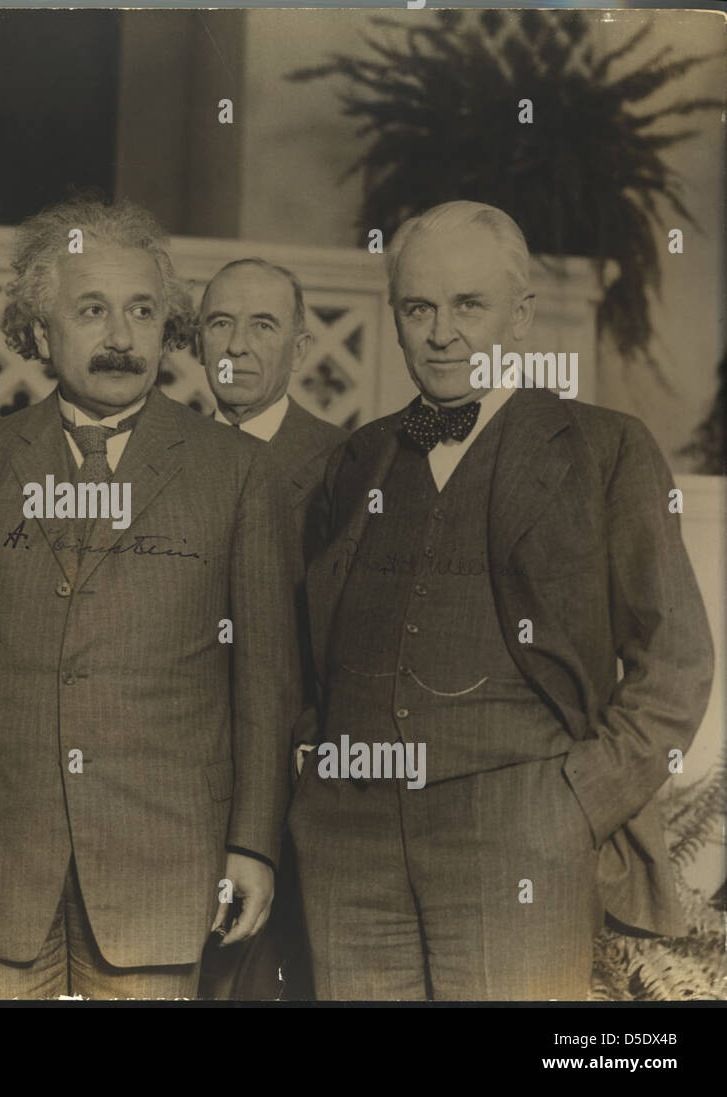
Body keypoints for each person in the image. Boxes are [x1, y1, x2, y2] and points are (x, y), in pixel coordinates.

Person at [291, 200, 714, 1000]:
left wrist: (576, 803)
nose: (441, 331)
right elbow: (306, 641)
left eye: (468, 305)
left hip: (521, 835)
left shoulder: (605, 449)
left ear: (519, 319)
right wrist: (316, 782)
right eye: (419, 307)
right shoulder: (358, 459)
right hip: (350, 841)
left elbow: (679, 663)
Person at [0, 197, 298, 999]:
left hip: (162, 868)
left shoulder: (235, 473)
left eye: (142, 312)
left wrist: (252, 845)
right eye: (92, 311)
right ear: (42, 332)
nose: (121, 337)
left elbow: (265, 681)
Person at [194, 257, 346, 1001]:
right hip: (174, 781)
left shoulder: (344, 466)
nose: (238, 345)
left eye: (263, 325)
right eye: (220, 323)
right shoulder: (165, 458)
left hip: (292, 792)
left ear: (300, 345)